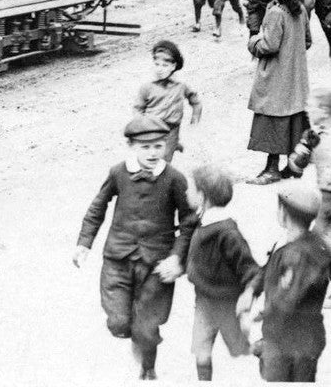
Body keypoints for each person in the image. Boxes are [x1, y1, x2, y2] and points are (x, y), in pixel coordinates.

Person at [74, 116, 197, 381]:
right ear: (131, 146)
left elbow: (189, 221)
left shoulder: (175, 178)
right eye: (145, 147)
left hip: (157, 264)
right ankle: (136, 336)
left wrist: (177, 258)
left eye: (158, 146)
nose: (153, 153)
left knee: (147, 327)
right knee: (119, 323)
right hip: (117, 259)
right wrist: (84, 243)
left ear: (167, 146)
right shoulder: (118, 172)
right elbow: (98, 207)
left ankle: (148, 370)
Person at [241, 182, 331, 382]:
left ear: (283, 213)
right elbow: (267, 268)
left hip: (285, 342)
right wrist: (252, 290)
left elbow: (288, 299)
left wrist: (257, 317)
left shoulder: (294, 255)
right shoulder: (301, 245)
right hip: (308, 337)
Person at [184, 164, 260, 382]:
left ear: (203, 196)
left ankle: (272, 358)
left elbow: (251, 270)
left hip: (227, 302)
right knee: (201, 348)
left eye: (191, 189)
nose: (186, 193)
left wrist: (249, 293)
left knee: (243, 348)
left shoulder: (228, 234)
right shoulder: (202, 220)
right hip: (204, 299)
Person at [246, 0, 312, 185]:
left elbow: (269, 45)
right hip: (295, 76)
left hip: (276, 75)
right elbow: (308, 41)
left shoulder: (275, 12)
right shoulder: (300, 8)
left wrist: (253, 41)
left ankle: (272, 169)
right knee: (292, 117)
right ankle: (292, 167)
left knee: (272, 118)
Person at [132, 40, 201, 161]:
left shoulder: (181, 86)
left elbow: (195, 101)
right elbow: (138, 108)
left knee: (164, 162)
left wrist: (195, 119)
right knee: (149, 158)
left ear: (173, 66)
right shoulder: (147, 87)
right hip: (152, 129)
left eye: (165, 66)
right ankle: (173, 146)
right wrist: (141, 124)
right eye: (157, 64)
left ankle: (172, 145)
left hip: (171, 130)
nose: (160, 69)